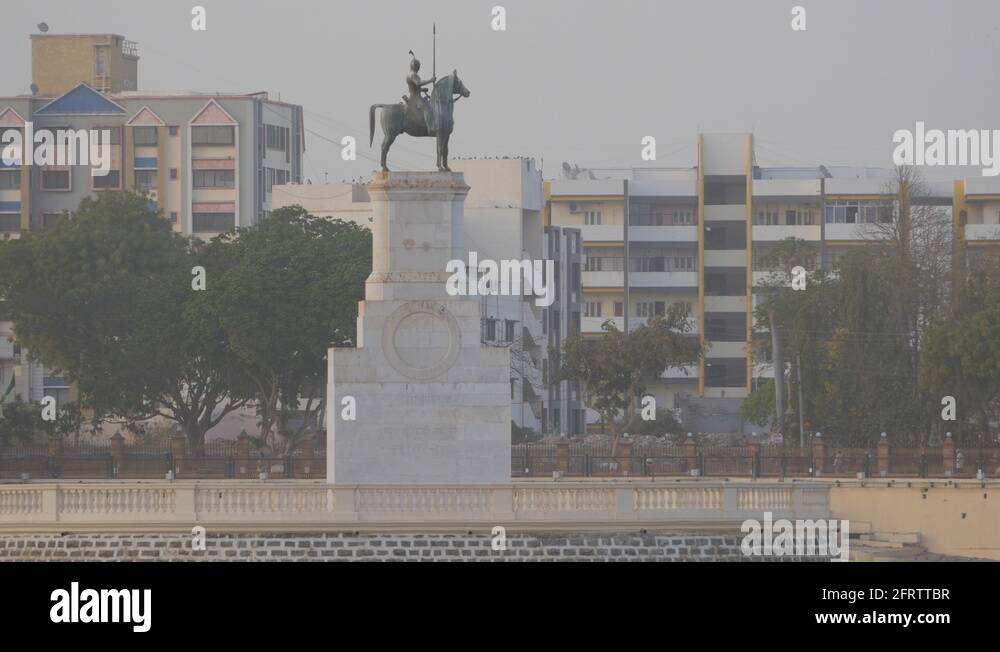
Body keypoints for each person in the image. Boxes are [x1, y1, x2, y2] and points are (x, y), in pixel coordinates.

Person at [406, 51, 436, 133]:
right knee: (427, 108)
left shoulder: (410, 74)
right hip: (415, 98)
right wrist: (430, 80)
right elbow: (418, 83)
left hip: (415, 94)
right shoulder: (413, 74)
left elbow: (414, 87)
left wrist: (422, 90)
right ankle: (430, 127)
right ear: (417, 67)